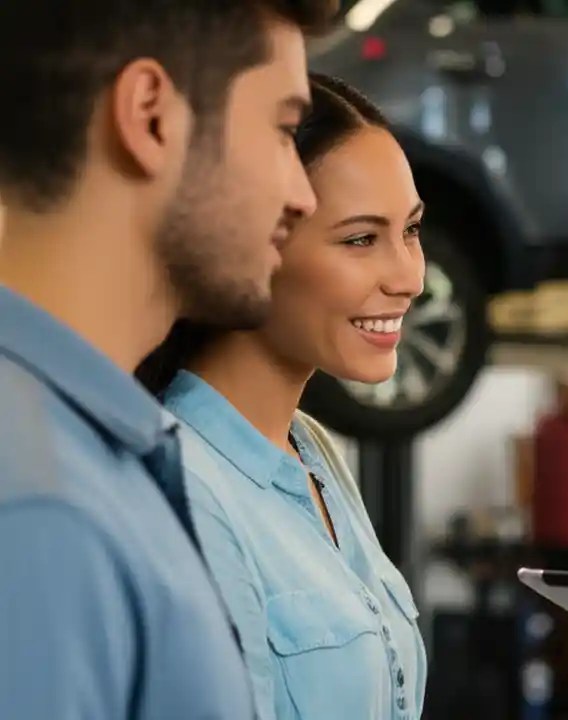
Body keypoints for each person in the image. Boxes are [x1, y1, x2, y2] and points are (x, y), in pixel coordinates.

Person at [0, 1, 331, 717]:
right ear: (152, 116)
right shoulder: (39, 513)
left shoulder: (89, 460)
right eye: (282, 130)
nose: (302, 194)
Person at [134, 73, 428, 720]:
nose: (410, 276)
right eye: (360, 239)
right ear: (250, 246)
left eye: (411, 230)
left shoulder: (312, 450)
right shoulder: (184, 487)